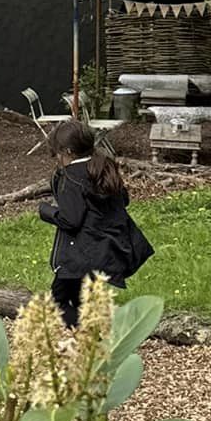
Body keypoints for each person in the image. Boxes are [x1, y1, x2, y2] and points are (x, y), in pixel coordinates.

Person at [38, 118, 153, 327]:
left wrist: (46, 211)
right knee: (83, 299)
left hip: (79, 255)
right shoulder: (103, 166)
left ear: (68, 151)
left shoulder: (71, 177)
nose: (56, 158)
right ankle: (91, 338)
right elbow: (123, 200)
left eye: (57, 153)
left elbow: (71, 220)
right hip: (104, 250)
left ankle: (96, 335)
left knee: (56, 303)